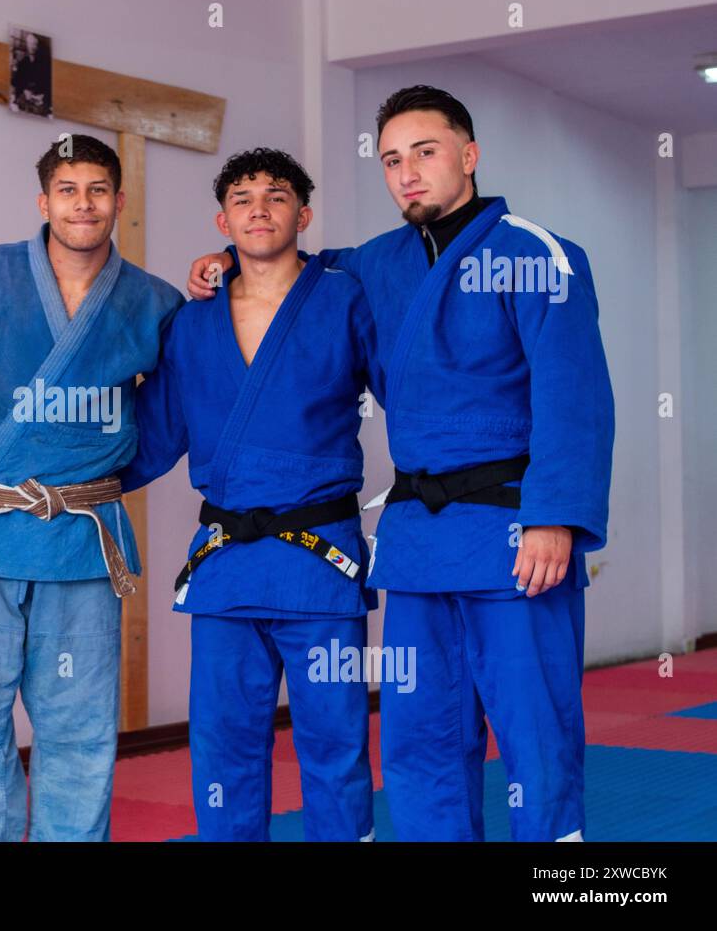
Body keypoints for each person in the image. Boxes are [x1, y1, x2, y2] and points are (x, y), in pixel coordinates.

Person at [185, 86, 614, 842]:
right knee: (418, 738)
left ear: (468, 155)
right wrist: (224, 259)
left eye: (425, 152)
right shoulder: (372, 266)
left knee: (536, 736)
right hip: (416, 545)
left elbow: (575, 396)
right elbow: (287, 273)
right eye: (391, 160)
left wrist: (555, 516)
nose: (407, 173)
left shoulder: (533, 253)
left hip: (514, 534)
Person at [119, 149, 378, 841]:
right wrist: (69, 480)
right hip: (228, 565)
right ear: (222, 218)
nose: (259, 208)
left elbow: (406, 392)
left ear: (304, 213)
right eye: (242, 198)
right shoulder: (191, 321)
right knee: (224, 749)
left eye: (276, 195)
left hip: (320, 561)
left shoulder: (344, 297)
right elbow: (156, 434)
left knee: (336, 742)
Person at [0, 134, 184, 841]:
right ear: (43, 200)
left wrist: (99, 479)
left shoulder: (152, 302)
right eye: (69, 190)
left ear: (120, 202)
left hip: (82, 537)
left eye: (99, 190)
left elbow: (167, 418)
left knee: (78, 723)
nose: (85, 204)